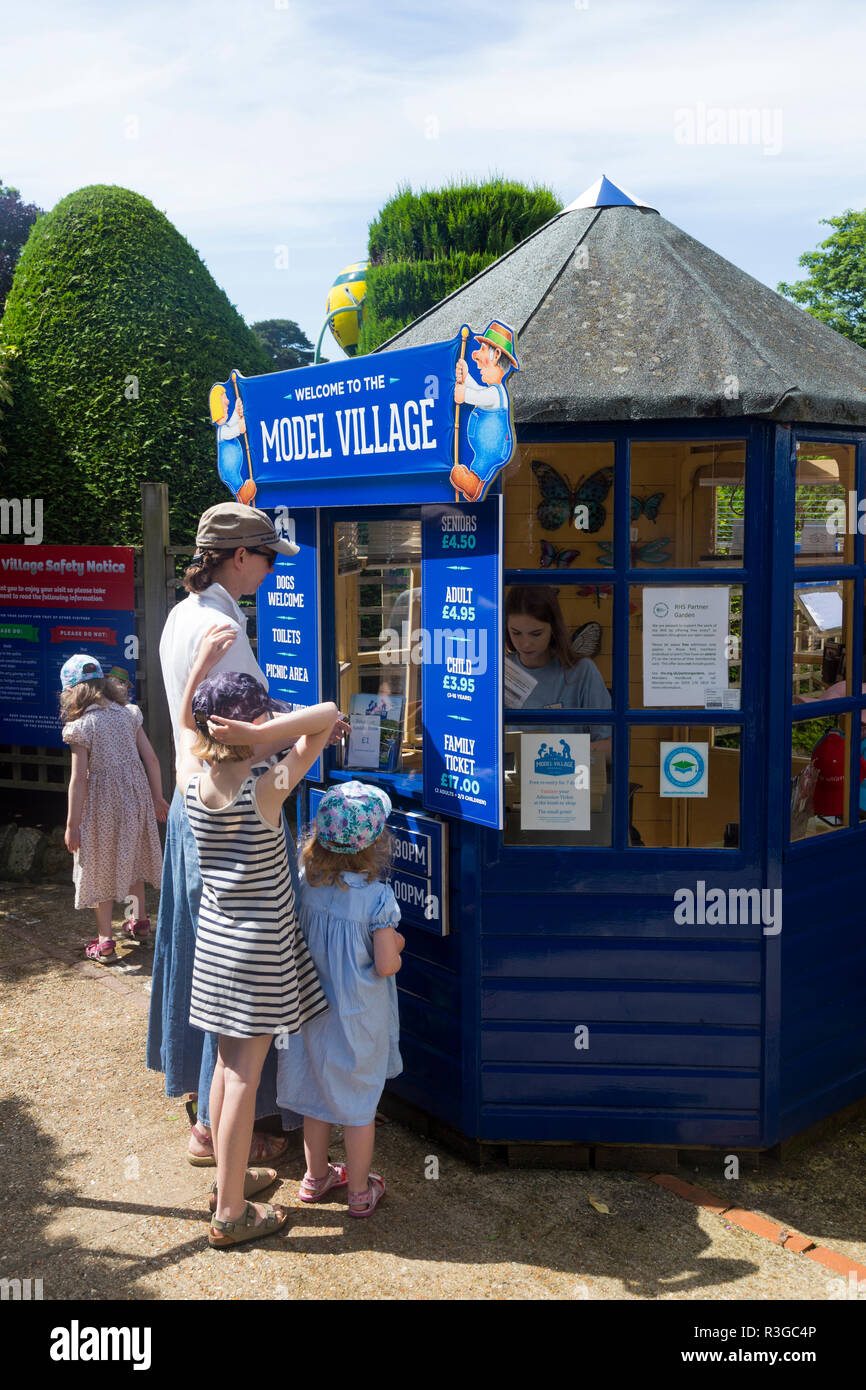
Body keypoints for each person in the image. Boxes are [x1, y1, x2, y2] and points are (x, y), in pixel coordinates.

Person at [146, 501, 305, 1167]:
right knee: (240, 969)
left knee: (195, 955)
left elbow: (201, 717)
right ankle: (232, 1129)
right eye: (267, 557)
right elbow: (240, 729)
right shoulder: (223, 626)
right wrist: (312, 726)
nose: (271, 571)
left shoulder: (182, 616)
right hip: (235, 810)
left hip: (192, 804)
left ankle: (202, 1116)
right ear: (239, 556)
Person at [175, 627, 340, 1247]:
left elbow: (185, 731)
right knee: (245, 1072)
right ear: (246, 729)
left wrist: (199, 679)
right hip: (260, 949)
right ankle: (231, 1214)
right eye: (263, 718)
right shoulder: (265, 790)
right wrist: (263, 735)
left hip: (217, 944)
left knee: (224, 1063)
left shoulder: (193, 779)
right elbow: (327, 717)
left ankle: (230, 1176)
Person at [271, 780, 404, 1217]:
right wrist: (398, 947)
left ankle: (315, 1177)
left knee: (316, 1095)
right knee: (359, 1105)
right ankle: (361, 1191)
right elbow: (385, 964)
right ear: (375, 843)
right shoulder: (377, 898)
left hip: (310, 1011)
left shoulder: (304, 887)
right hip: (358, 1018)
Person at [60, 654, 168, 961]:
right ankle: (140, 923)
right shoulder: (128, 713)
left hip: (101, 804)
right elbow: (152, 759)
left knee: (99, 865)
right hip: (135, 797)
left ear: (72, 692)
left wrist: (72, 824)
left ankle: (106, 940)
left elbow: (79, 778)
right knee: (133, 859)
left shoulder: (82, 726)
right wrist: (158, 797)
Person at [504, 586, 611, 747]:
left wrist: (563, 757)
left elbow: (612, 746)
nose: (525, 643)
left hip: (572, 770)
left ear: (553, 628)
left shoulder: (582, 671)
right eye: (516, 633)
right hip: (515, 771)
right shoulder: (498, 671)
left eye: (536, 633)